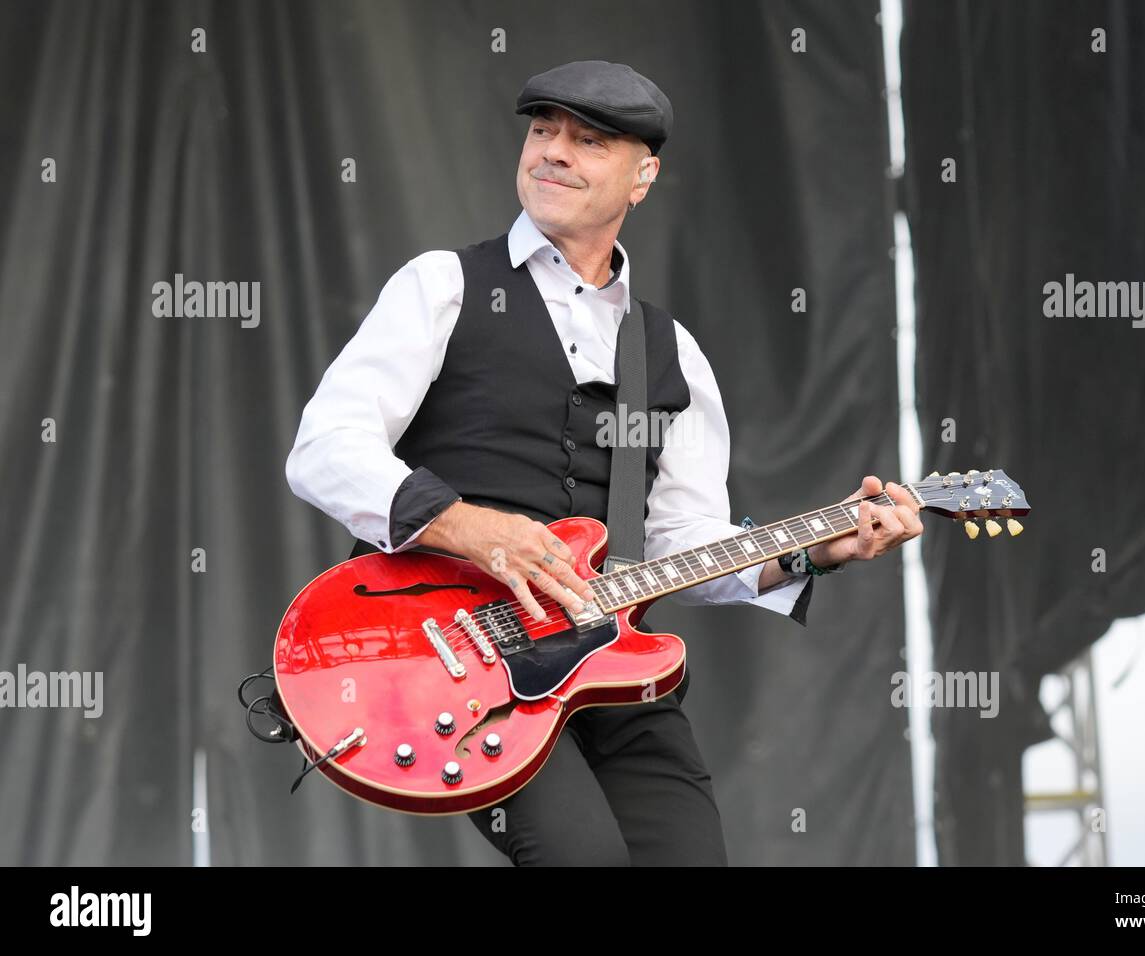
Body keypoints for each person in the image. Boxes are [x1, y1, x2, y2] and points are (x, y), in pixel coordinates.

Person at [285, 59, 923, 866]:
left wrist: (811, 552)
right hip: (461, 653)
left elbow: (679, 539)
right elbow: (325, 449)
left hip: (612, 668)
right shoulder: (442, 285)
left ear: (643, 177)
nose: (554, 151)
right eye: (543, 130)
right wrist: (473, 528)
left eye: (588, 140)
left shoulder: (671, 353)